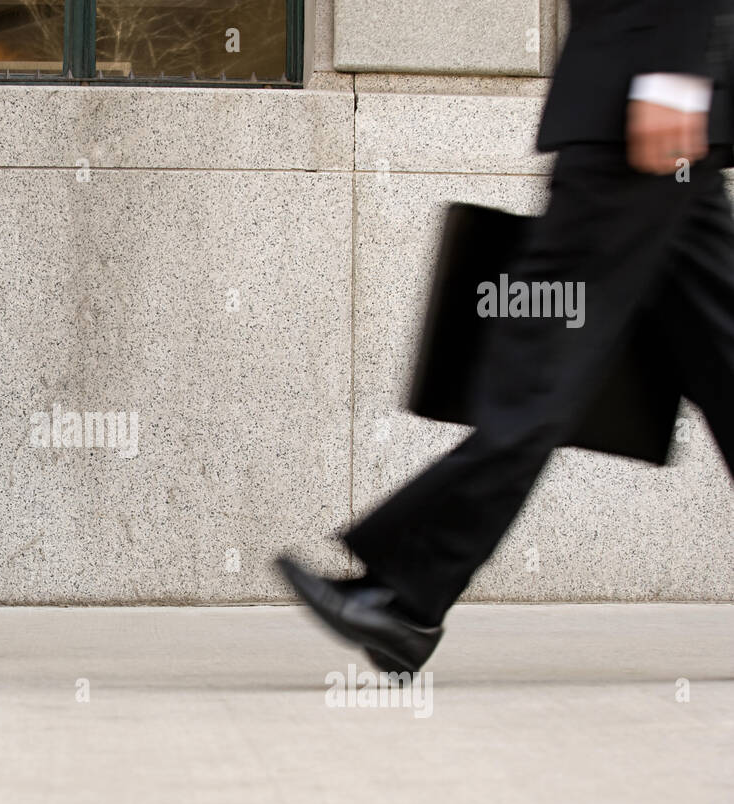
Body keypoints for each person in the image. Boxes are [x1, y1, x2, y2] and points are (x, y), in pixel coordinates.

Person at [277, 0, 734, 672]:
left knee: (541, 366)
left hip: (641, 99)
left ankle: (406, 595)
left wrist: (672, 75)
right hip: (641, 96)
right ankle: (404, 595)